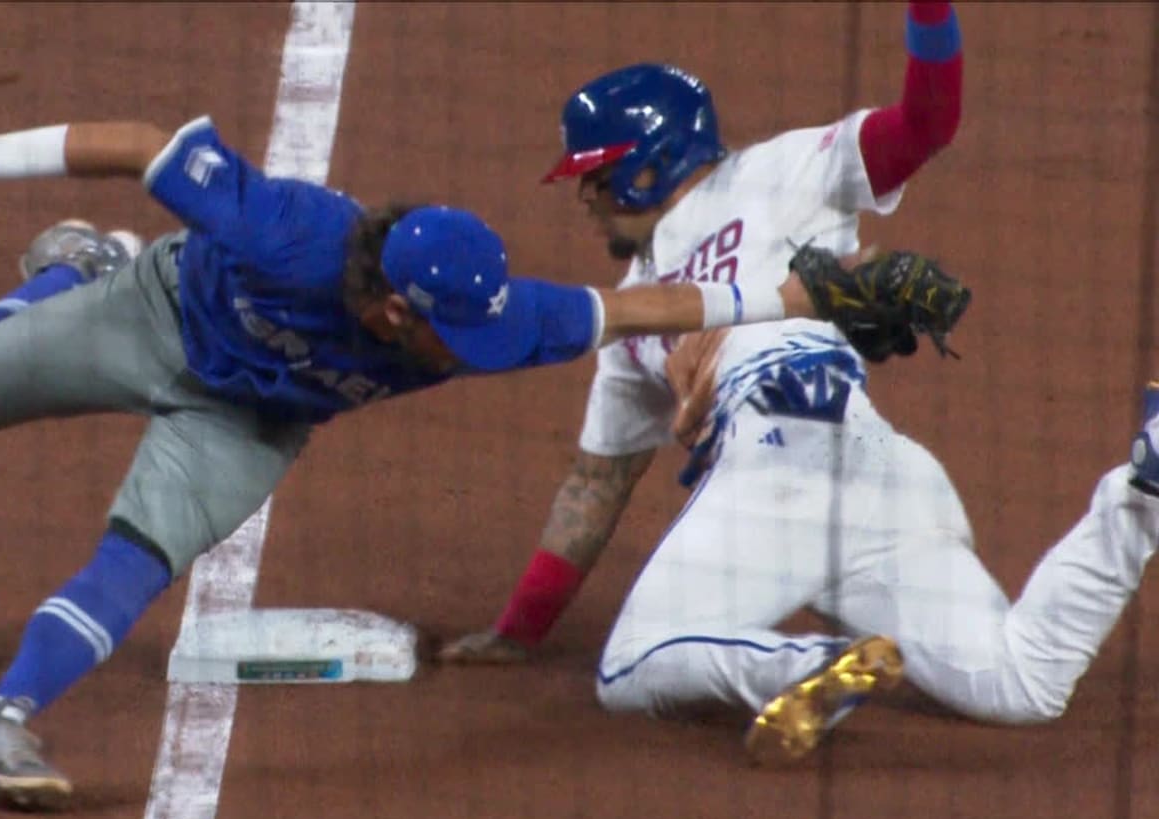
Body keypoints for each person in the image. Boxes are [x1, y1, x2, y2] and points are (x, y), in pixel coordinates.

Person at [0, 104, 957, 807]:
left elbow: (651, 304)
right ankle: (66, 271)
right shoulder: (285, 231)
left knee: (136, 560)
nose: (473, 352)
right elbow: (135, 143)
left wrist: (812, 294)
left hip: (248, 423)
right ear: (391, 306)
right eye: (447, 333)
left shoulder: (504, 314)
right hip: (152, 315)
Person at [440, 2, 1158, 765]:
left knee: (629, 668)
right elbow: (596, 483)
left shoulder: (783, 171)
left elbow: (927, 123)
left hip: (780, 457)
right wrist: (519, 628)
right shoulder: (633, 317)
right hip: (874, 475)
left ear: (654, 161)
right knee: (1019, 683)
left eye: (600, 177)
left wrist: (930, 12)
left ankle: (800, 664)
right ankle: (1141, 494)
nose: (586, 198)